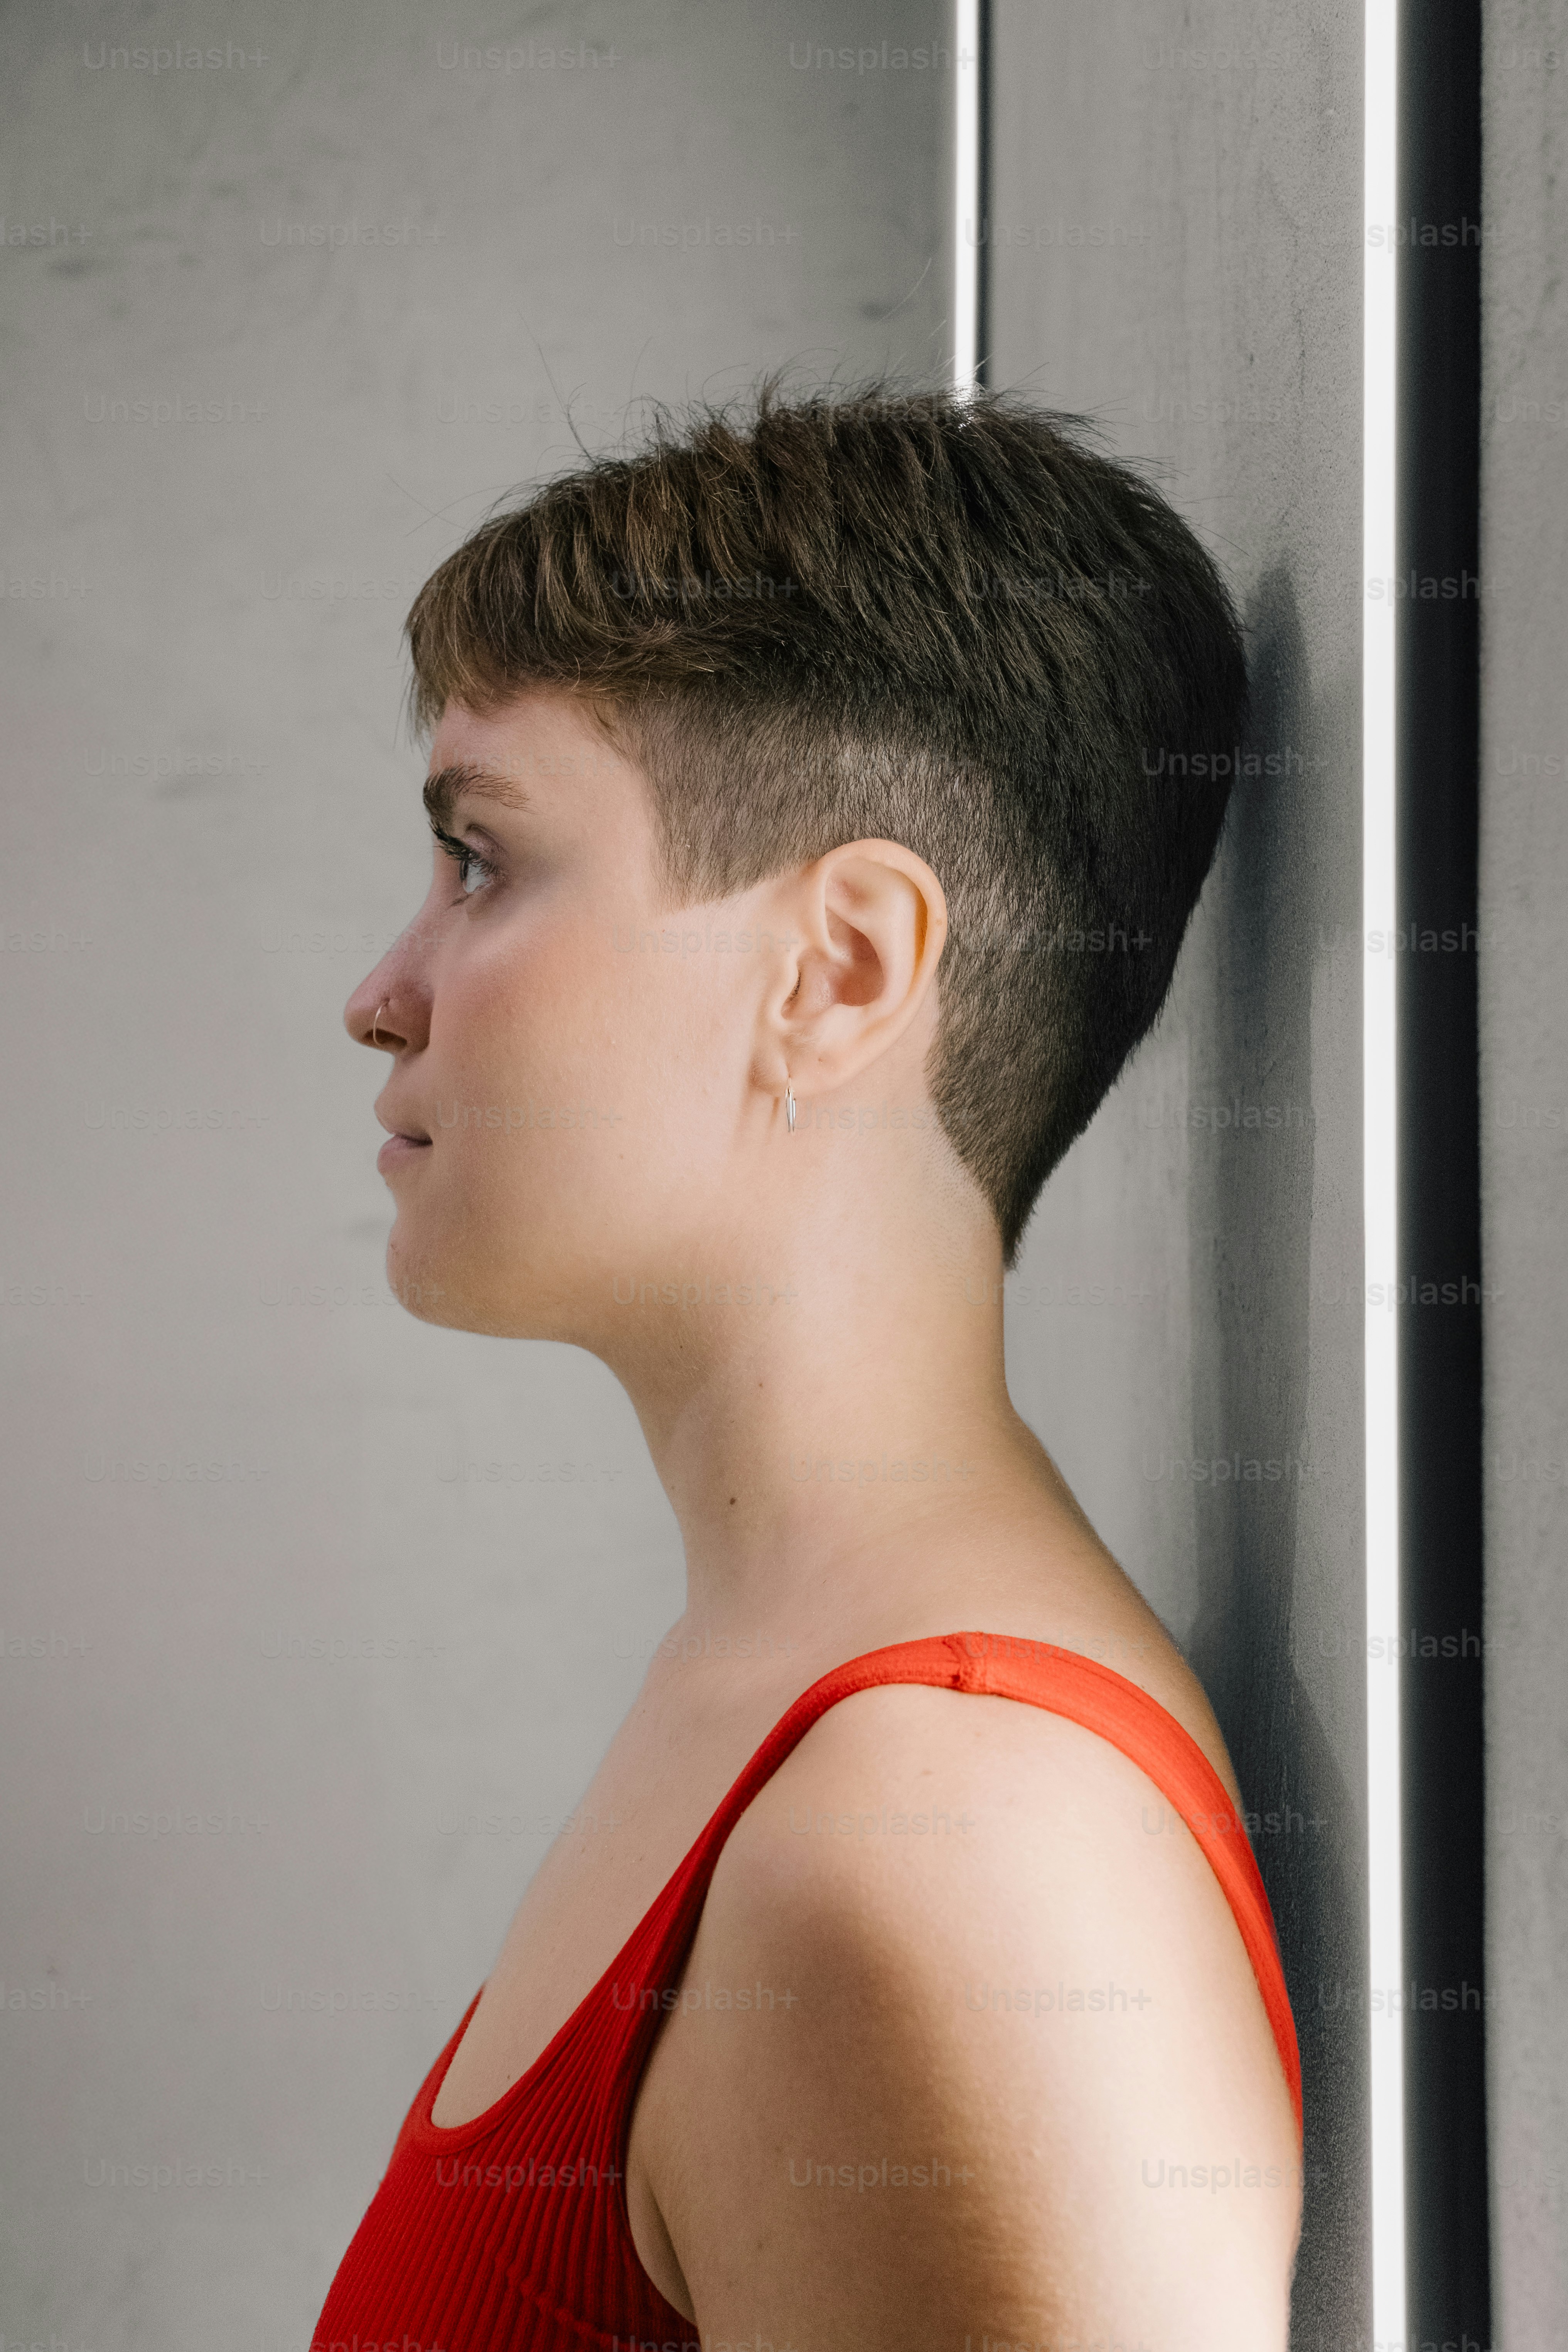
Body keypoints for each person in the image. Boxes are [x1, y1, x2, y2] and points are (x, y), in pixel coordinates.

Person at [317, 381, 1302, 2351]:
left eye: (483, 860)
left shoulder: (946, 1856)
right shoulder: (784, 1716)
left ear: (840, 971)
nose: (381, 996)